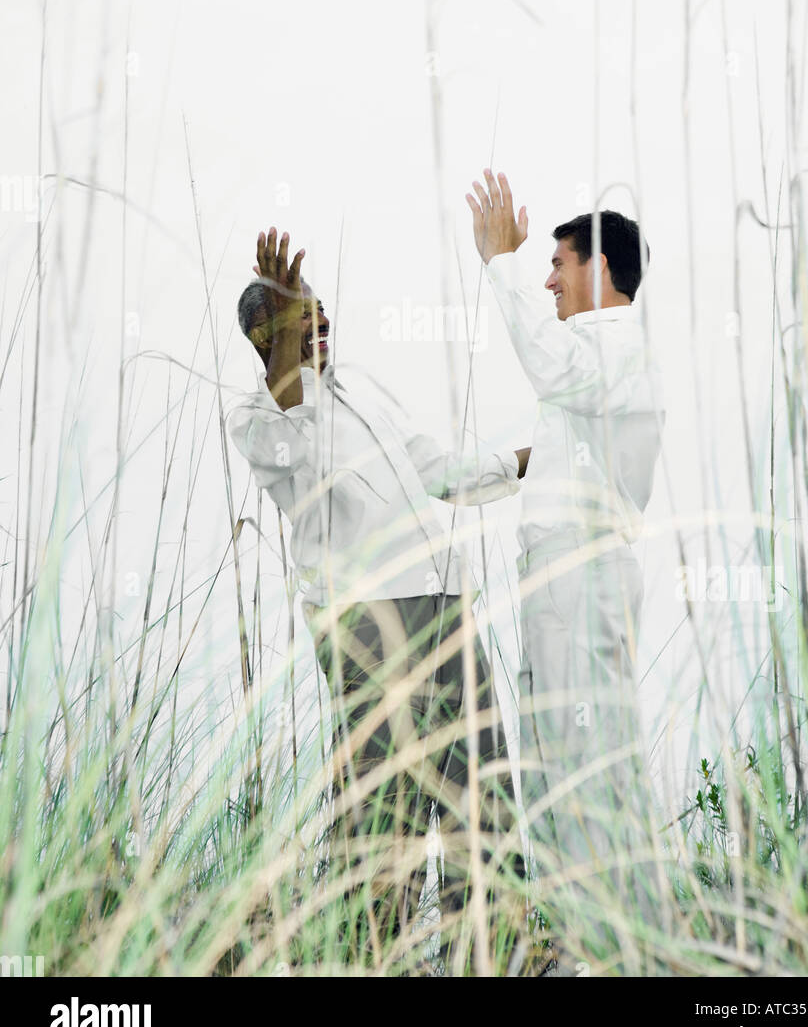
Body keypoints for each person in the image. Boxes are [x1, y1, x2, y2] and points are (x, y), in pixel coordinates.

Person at [227, 226, 529, 972]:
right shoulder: (261, 418)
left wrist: (532, 457)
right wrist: (288, 336)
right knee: (382, 805)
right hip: (369, 624)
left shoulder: (367, 389)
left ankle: (491, 955)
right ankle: (371, 958)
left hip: (444, 602)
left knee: (479, 785)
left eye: (321, 312)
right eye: (300, 318)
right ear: (266, 337)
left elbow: (441, 469)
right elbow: (290, 423)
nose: (318, 324)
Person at [465, 171, 665, 969]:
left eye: (557, 262)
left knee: (591, 768)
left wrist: (499, 263)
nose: (546, 278)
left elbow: (550, 367)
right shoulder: (592, 371)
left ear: (600, 269)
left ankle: (629, 950)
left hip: (580, 579)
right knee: (554, 768)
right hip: (557, 585)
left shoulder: (614, 347)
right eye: (540, 265)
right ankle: (582, 946)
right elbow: (546, 447)